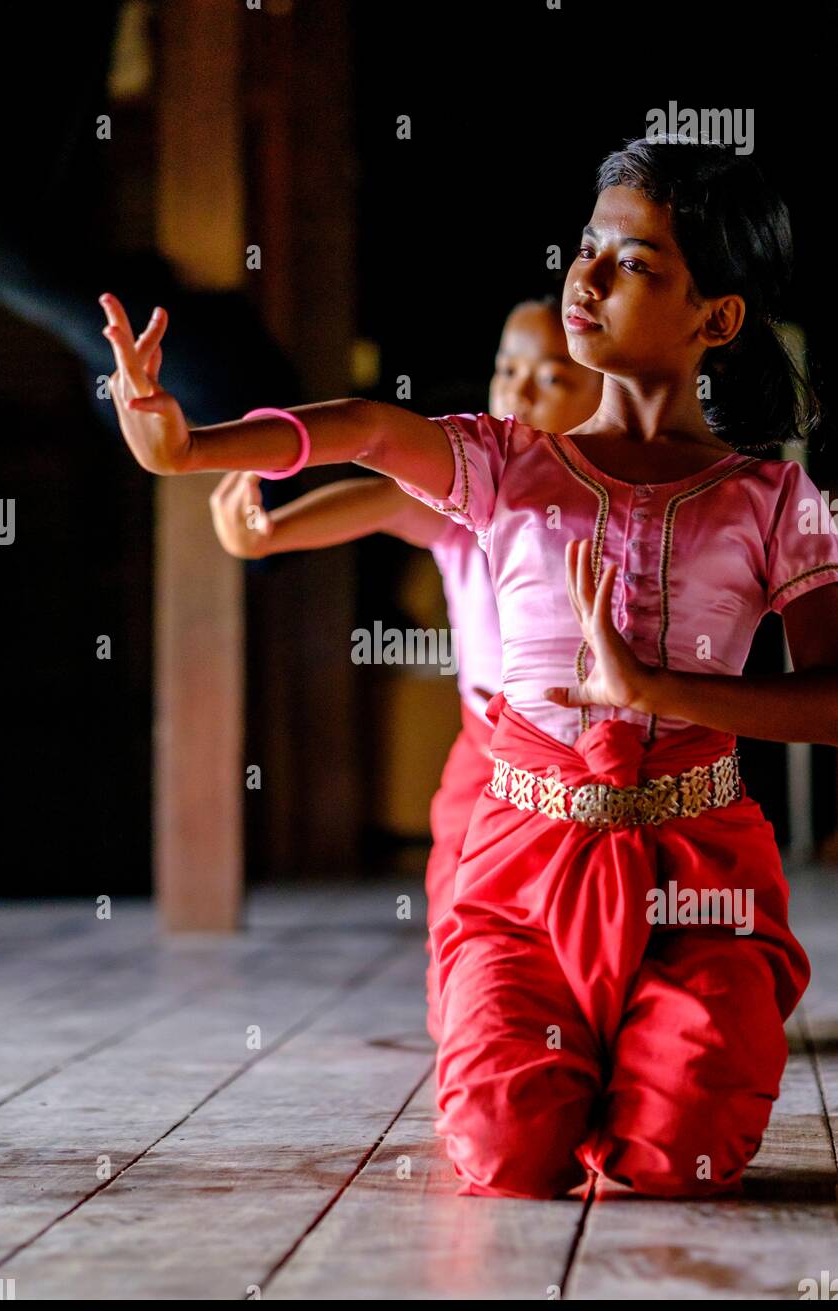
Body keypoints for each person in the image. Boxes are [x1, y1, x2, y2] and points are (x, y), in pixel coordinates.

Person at [100, 136, 838, 1200]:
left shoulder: (777, 504)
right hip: (519, 873)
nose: (581, 277)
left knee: (682, 1159)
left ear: (715, 319)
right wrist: (189, 444)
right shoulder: (502, 462)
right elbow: (363, 431)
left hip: (697, 887)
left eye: (631, 263)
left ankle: (645, 1058)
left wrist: (658, 694)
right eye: (585, 248)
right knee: (503, 1156)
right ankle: (556, 1060)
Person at [207, 295, 601, 1042]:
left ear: (603, 400)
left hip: (581, 756)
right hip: (485, 747)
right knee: (460, 884)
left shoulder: (611, 512)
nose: (517, 391)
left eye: (551, 377)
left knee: (574, 906)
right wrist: (272, 535)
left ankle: (575, 1016)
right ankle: (474, 1017)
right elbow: (379, 502)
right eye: (507, 369)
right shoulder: (464, 508)